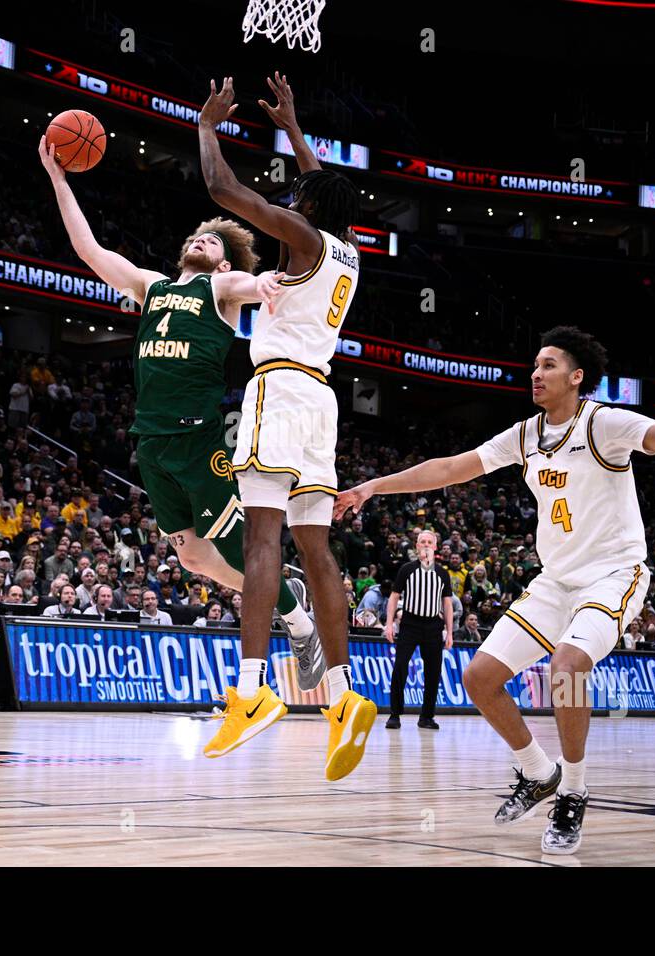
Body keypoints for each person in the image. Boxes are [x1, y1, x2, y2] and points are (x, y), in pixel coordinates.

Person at [336, 325, 655, 853]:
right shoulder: (525, 434)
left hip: (614, 574)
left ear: (577, 377)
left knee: (568, 668)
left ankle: (573, 791)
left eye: (549, 365)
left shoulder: (604, 423)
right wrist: (372, 485)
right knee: (479, 677)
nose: (536, 373)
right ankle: (537, 771)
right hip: (555, 580)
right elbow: (450, 468)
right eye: (534, 365)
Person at [38, 125, 321, 697]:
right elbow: (90, 250)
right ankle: (274, 589)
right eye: (197, 235)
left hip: (197, 440)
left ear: (221, 264)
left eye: (213, 241)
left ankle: (297, 619)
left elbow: (253, 279)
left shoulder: (218, 291)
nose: (202, 239)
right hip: (150, 440)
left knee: (241, 547)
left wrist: (265, 281)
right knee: (193, 558)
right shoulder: (152, 286)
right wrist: (58, 179)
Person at [198, 73, 376, 780]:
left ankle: (250, 692)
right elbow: (325, 189)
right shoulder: (349, 251)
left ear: (305, 209)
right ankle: (339, 696)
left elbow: (224, 195)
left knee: (261, 537)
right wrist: (295, 131)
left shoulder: (302, 235)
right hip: (321, 402)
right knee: (317, 550)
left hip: (278, 391)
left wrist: (209, 127)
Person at [383, 529, 453, 730]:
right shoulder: (406, 569)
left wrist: (449, 632)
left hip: (433, 625)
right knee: (400, 668)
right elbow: (394, 597)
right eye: (422, 541)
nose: (425, 544)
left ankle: (426, 717)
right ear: (416, 545)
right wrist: (389, 623)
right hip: (410, 623)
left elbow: (447, 604)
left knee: (433, 672)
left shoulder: (442, 573)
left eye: (429, 541)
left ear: (435, 546)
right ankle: (395, 714)